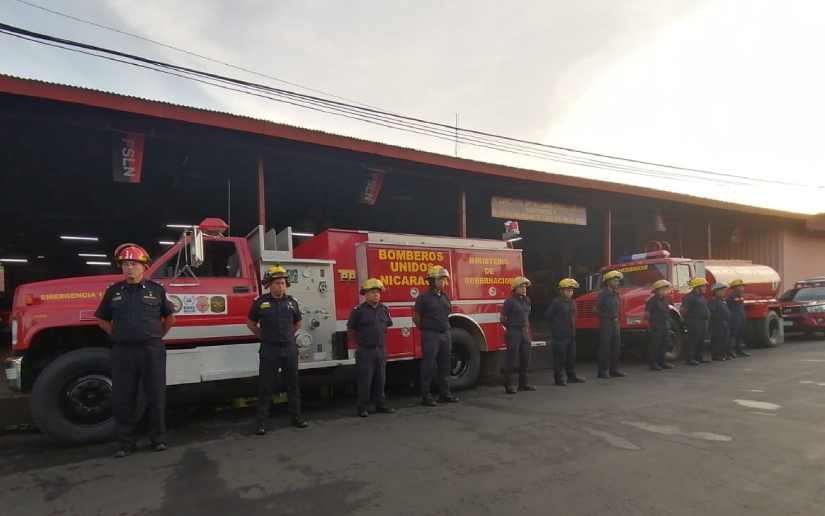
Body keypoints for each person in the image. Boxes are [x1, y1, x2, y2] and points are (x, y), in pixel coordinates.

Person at [95, 243, 175, 458]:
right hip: (123, 352)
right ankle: (125, 443)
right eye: (125, 264)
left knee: (156, 395)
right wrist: (116, 334)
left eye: (134, 264)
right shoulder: (113, 292)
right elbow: (101, 318)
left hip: (151, 350)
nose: (129, 268)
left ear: (144, 267)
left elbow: (169, 318)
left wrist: (155, 336)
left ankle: (158, 439)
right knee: (123, 397)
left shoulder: (156, 290)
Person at [247, 265, 308, 434]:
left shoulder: (292, 302)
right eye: (276, 283)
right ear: (270, 285)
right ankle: (262, 423)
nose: (280, 286)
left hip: (289, 349)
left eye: (282, 283)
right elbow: (250, 323)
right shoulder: (260, 302)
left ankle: (296, 418)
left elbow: (298, 323)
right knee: (266, 387)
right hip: (269, 350)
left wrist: (288, 336)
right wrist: (263, 336)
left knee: (293, 386)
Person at [348, 278, 395, 417]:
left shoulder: (384, 309)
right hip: (365, 350)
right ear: (365, 294)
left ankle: (380, 404)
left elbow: (386, 327)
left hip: (380, 349)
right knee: (365, 381)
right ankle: (363, 407)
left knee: (381, 379)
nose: (376, 295)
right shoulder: (358, 311)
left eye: (378, 292)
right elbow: (351, 331)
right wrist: (361, 344)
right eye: (373, 292)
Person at [414, 266, 460, 406]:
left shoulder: (445, 296)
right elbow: (416, 318)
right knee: (428, 365)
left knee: (445, 365)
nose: (443, 282)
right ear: (432, 281)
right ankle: (426, 396)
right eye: (440, 279)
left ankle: (445, 394)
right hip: (430, 334)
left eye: (444, 280)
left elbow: (447, 313)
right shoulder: (423, 298)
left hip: (445, 333)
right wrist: (426, 329)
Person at [545, 278, 585, 386]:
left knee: (571, 357)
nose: (570, 292)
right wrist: (557, 326)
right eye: (568, 290)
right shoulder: (556, 302)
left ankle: (571, 376)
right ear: (561, 291)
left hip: (571, 334)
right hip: (560, 335)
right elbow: (548, 316)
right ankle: (559, 379)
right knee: (560, 358)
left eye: (572, 290)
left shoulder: (572, 302)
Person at [500, 276, 536, 394]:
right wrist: (512, 327)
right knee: (511, 359)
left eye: (525, 286)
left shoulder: (527, 300)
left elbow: (528, 314)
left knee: (525, 358)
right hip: (513, 332)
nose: (524, 289)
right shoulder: (509, 302)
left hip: (524, 332)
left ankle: (523, 384)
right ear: (515, 288)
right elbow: (503, 319)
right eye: (521, 286)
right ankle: (509, 385)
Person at [594, 270, 626, 379]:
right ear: (608, 282)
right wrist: (606, 317)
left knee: (616, 346)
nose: (617, 282)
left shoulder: (616, 294)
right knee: (605, 347)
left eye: (618, 280)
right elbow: (595, 309)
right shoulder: (603, 294)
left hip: (615, 322)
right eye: (615, 280)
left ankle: (615, 369)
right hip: (606, 322)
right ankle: (603, 371)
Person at [645, 279, 674, 371]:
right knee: (655, 346)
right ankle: (653, 364)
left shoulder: (665, 300)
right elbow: (647, 314)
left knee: (664, 344)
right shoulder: (651, 301)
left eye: (666, 289)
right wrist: (649, 326)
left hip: (665, 325)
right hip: (656, 326)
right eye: (663, 289)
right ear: (657, 290)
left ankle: (662, 362)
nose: (665, 291)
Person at [681, 277, 710, 366]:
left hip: (702, 322)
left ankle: (699, 357)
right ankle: (690, 359)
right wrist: (688, 321)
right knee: (693, 341)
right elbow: (683, 310)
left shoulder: (701, 296)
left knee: (701, 340)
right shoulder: (689, 297)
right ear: (697, 287)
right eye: (703, 286)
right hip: (694, 322)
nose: (705, 287)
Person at [726, 279, 751, 358]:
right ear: (735, 288)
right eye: (740, 287)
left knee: (740, 334)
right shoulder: (731, 297)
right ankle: (731, 351)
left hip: (741, 317)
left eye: (742, 287)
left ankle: (739, 350)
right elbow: (728, 308)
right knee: (733, 335)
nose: (742, 288)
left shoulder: (741, 296)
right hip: (734, 318)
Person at [709, 282, 732, 361]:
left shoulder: (722, 300)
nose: (724, 292)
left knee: (725, 339)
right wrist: (720, 319)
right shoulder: (713, 300)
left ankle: (723, 354)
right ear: (716, 291)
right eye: (722, 290)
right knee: (718, 339)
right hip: (717, 323)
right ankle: (716, 355)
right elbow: (712, 312)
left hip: (724, 323)